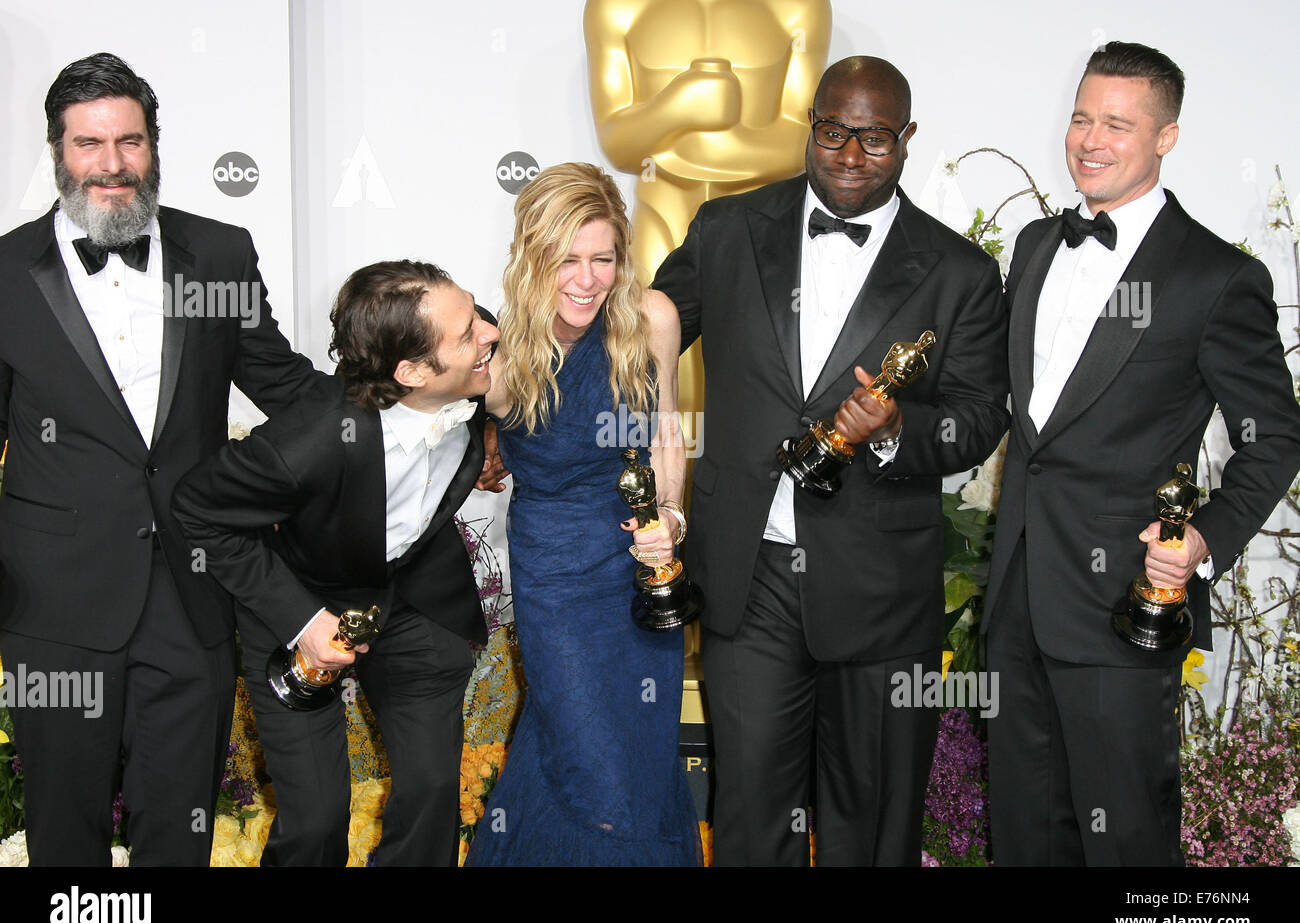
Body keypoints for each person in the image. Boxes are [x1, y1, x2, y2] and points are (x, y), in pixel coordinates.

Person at [652, 56, 1010, 866]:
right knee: (750, 815)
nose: (851, 154)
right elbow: (644, 340)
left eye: (875, 138)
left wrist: (891, 431)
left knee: (873, 820)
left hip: (881, 590)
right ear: (809, 126)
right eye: (833, 132)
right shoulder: (726, 229)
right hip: (753, 576)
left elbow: (981, 420)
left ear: (908, 140)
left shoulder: (959, 272)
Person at [0, 52, 329, 866]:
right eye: (89, 144)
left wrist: (408, 402)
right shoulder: (4, 273)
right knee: (64, 830)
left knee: (179, 826)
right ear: (57, 151)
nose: (112, 165)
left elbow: (283, 386)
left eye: (130, 142)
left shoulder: (216, 253)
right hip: (55, 605)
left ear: (154, 145)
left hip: (192, 589)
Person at [984, 41, 1300, 866]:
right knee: (1023, 831)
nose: (1089, 138)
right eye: (1082, 117)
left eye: (1117, 124)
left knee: (1124, 840)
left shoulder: (1214, 277)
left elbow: (1275, 437)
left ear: (1166, 138)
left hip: (1123, 607)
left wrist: (1203, 540)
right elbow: (1032, 431)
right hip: (1018, 594)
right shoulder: (1034, 245)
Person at [173, 260, 499, 865]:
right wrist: (301, 619)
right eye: (468, 334)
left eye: (477, 312)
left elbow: (508, 365)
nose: (488, 333)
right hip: (300, 603)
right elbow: (198, 509)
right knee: (318, 817)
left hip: (413, 597)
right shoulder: (308, 442)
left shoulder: (469, 361)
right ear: (410, 372)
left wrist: (498, 433)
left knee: (431, 792)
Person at [465, 162, 700, 866]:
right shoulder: (498, 358)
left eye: (603, 259)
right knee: (594, 768)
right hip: (558, 582)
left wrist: (672, 524)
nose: (587, 279)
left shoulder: (651, 318)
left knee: (638, 756)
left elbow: (667, 432)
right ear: (533, 257)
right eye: (566, 259)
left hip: (639, 582)